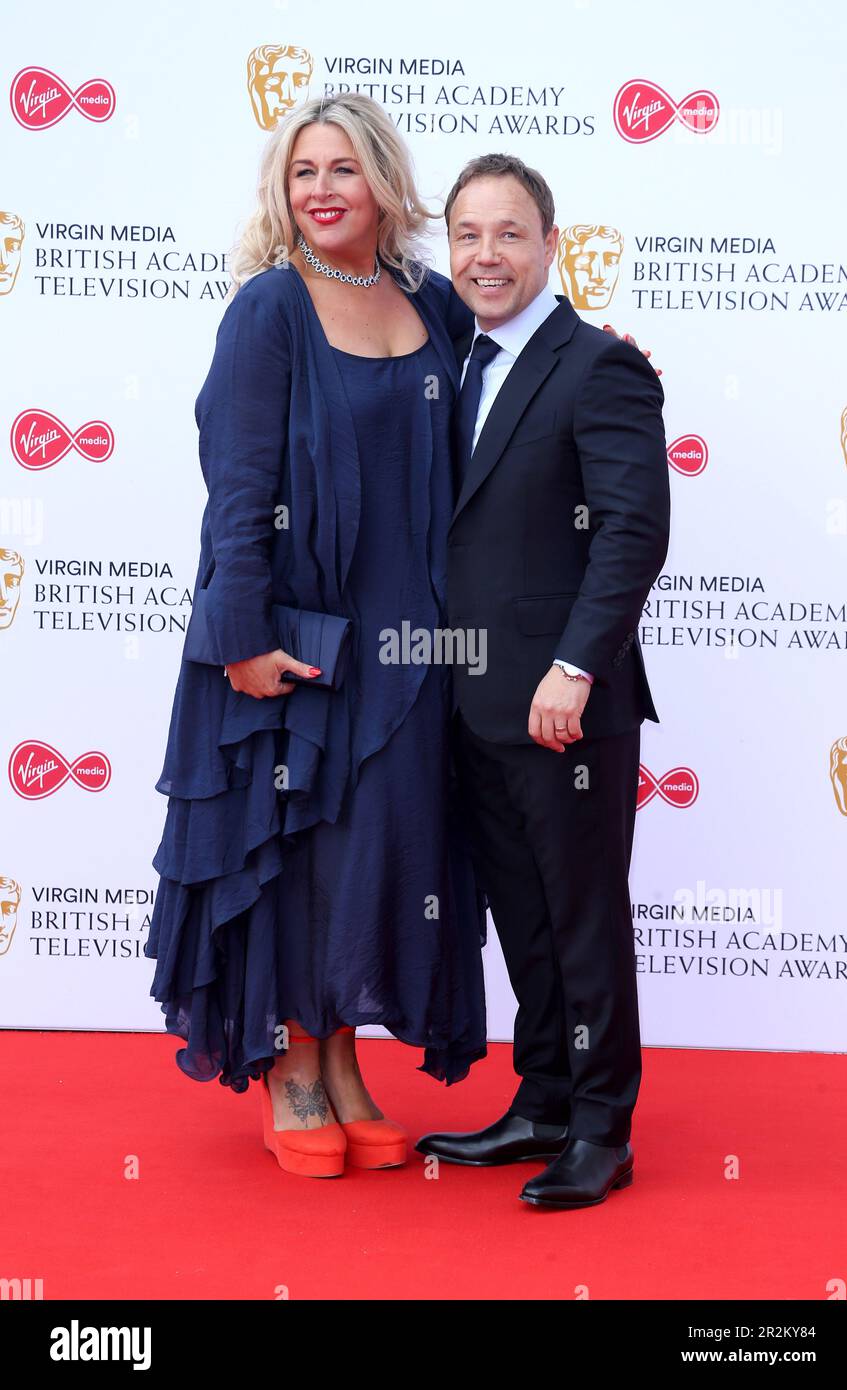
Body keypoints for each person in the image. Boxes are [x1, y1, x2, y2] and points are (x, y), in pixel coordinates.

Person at [144, 93, 487, 1179]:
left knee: (375, 855)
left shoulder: (434, 302)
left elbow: (506, 409)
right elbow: (237, 489)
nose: (323, 189)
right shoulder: (267, 310)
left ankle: (341, 1063)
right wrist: (236, 636)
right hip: (297, 639)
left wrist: (609, 365)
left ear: (384, 181)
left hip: (414, 647)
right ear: (282, 191)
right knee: (294, 852)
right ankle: (290, 1070)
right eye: (304, 172)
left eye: (344, 168)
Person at [416, 154, 671, 1209]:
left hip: (565, 706)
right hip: (470, 697)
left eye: (508, 234)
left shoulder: (597, 366)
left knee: (580, 919)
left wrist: (573, 667)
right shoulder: (456, 361)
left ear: (550, 244)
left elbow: (630, 530)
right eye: (466, 235)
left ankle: (601, 1130)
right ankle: (544, 1099)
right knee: (521, 917)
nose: (485, 255)